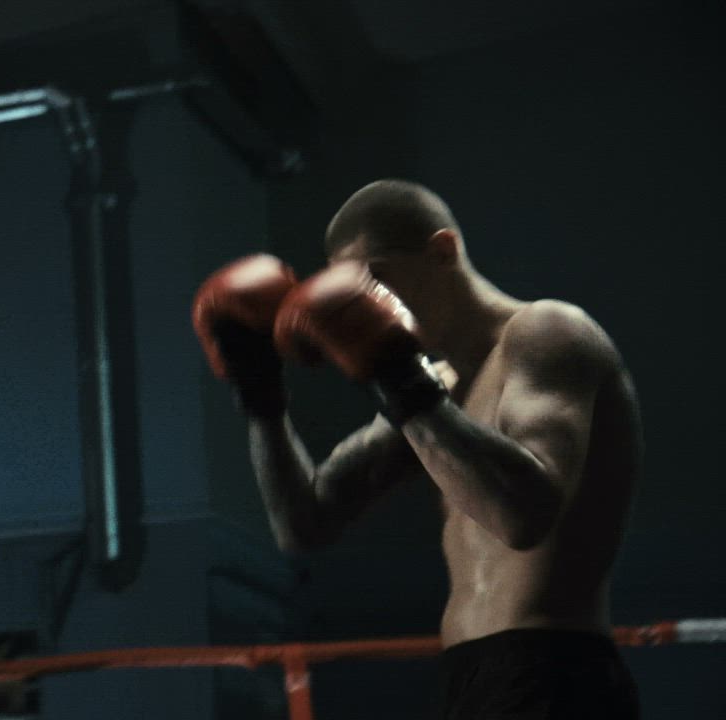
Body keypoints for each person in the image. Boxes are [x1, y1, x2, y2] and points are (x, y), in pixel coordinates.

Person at [192, 179, 642, 718]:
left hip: (557, 675)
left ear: (442, 251)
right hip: (467, 679)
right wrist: (260, 394)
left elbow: (525, 516)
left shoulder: (547, 332)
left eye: (376, 278)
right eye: (355, 291)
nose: (374, 301)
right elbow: (304, 524)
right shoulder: (435, 391)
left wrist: (402, 382)